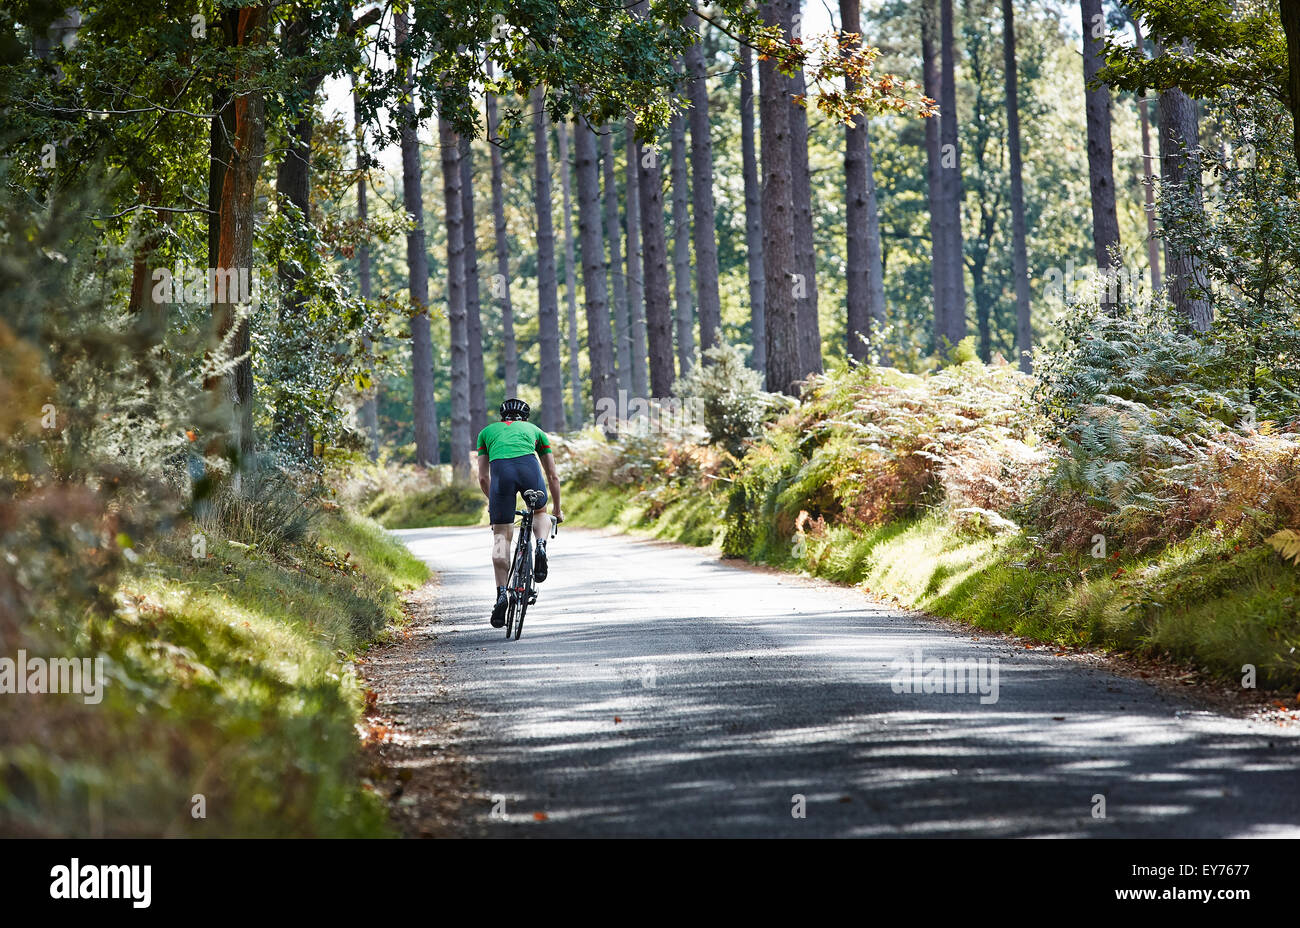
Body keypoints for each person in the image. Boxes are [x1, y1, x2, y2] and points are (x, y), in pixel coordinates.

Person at [476, 398, 563, 628]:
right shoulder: (535, 431)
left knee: (501, 537)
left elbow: (484, 477)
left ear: (502, 417)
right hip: (529, 469)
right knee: (539, 513)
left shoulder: (486, 433)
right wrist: (558, 508)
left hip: (501, 477)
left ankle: (502, 593)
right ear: (525, 418)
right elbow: (553, 475)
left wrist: (493, 500)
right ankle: (541, 544)